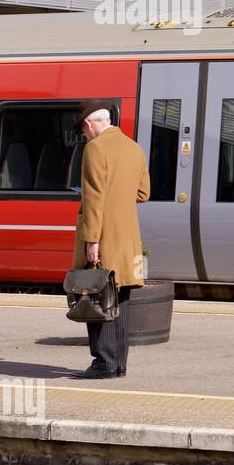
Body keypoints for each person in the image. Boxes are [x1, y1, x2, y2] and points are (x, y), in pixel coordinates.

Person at [70, 100, 150, 379]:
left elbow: (93, 198)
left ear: (90, 123)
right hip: (128, 236)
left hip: (103, 236)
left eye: (83, 129)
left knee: (96, 296)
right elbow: (143, 193)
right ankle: (119, 364)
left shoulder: (95, 148)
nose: (84, 135)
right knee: (121, 298)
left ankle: (103, 363)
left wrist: (92, 241)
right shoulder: (135, 148)